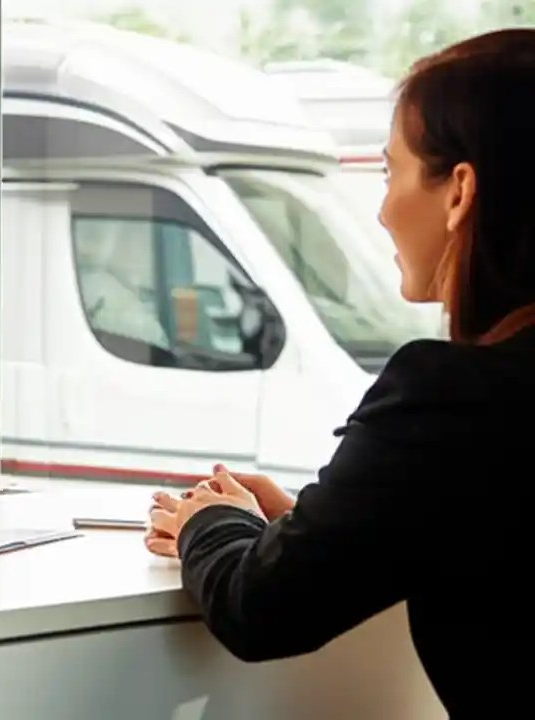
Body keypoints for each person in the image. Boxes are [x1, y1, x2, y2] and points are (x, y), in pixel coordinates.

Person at [144, 29, 535, 717]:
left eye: (391, 173)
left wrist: (215, 520)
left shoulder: (452, 397)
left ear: (460, 191)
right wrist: (317, 524)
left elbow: (259, 611)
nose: (382, 211)